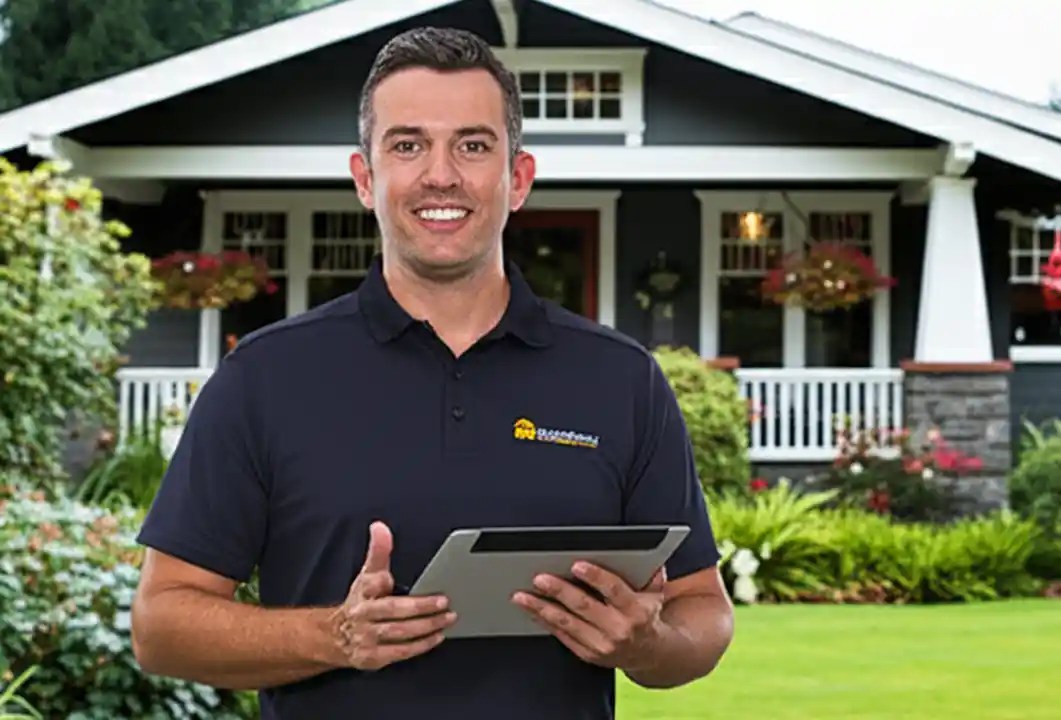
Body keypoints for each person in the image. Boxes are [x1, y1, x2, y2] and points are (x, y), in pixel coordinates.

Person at [129, 25, 734, 719]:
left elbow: (704, 613)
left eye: (473, 146)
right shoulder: (263, 378)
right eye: (408, 145)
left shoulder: (622, 380)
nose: (440, 174)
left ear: (518, 179)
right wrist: (335, 636)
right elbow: (161, 627)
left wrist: (646, 642)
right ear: (366, 178)